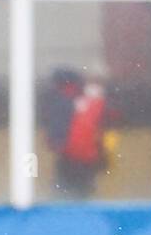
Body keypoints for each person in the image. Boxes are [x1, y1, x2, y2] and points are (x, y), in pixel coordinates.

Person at [42, 68, 114, 198]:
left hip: (71, 157)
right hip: (83, 159)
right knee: (80, 193)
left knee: (66, 194)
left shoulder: (66, 99)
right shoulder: (89, 101)